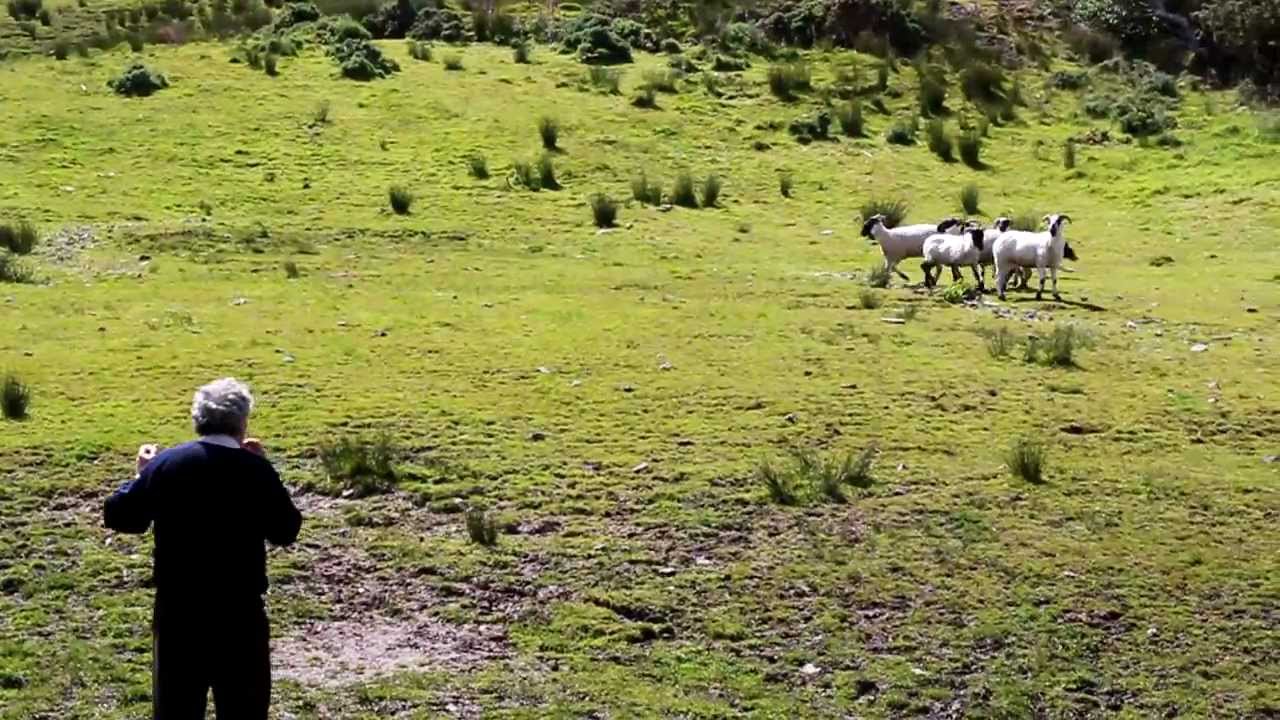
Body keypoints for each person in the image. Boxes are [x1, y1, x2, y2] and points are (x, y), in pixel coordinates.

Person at [104, 378, 302, 720]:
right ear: (242, 422)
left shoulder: (168, 465)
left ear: (198, 419)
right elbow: (286, 530)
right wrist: (265, 469)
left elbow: (122, 516)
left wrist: (142, 475)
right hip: (240, 616)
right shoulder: (254, 470)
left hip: (179, 616)